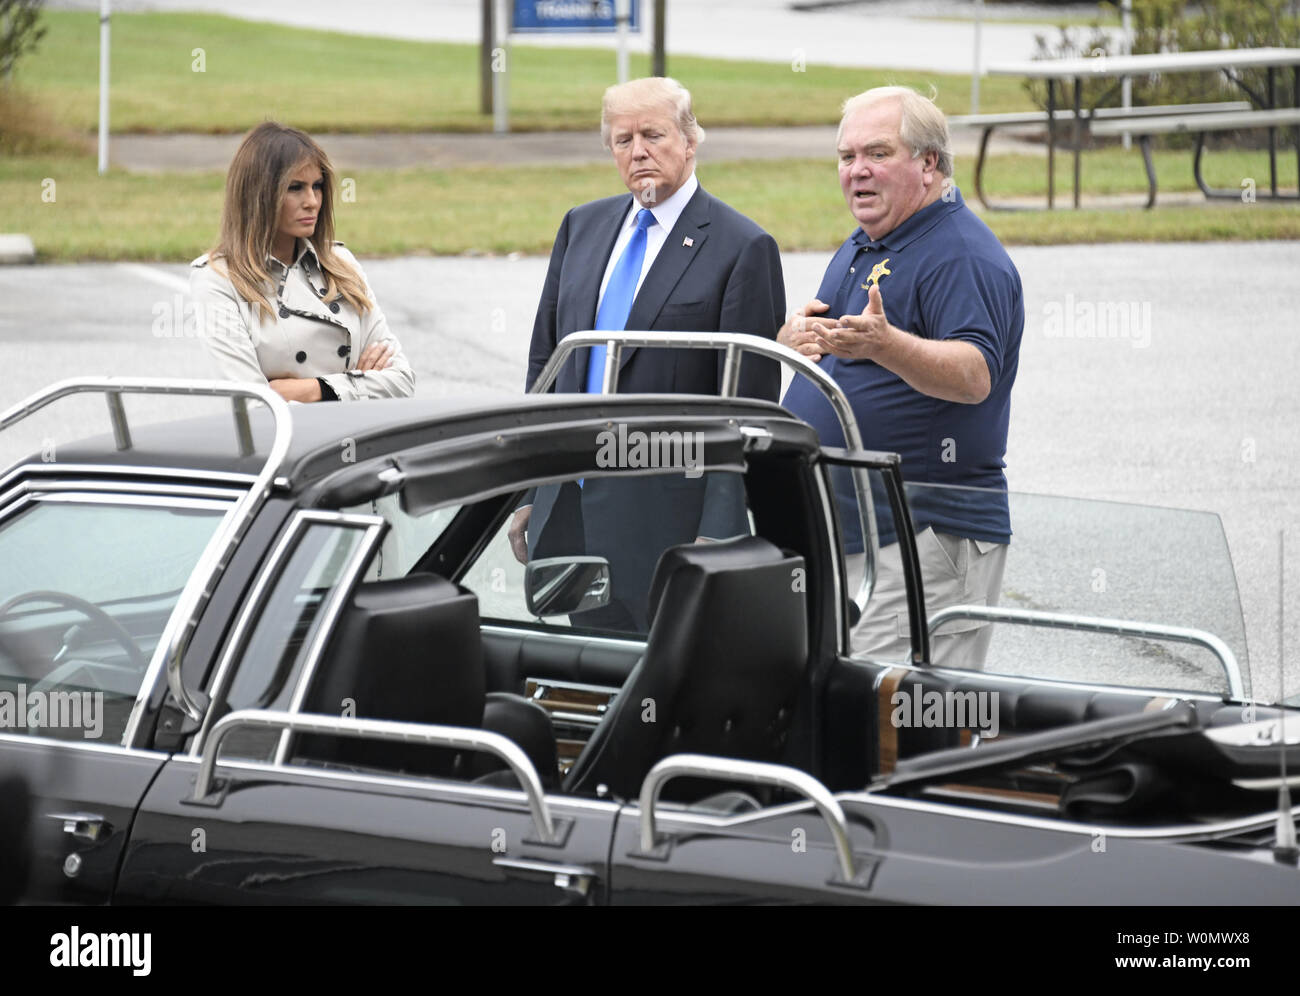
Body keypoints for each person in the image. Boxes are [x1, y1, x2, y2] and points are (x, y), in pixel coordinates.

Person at [510, 76, 785, 633]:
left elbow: (747, 406)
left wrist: (721, 528)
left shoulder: (742, 247)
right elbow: (546, 366)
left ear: (690, 140)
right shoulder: (581, 227)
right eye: (622, 139)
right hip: (570, 517)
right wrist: (527, 489)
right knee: (581, 690)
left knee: (665, 697)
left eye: (653, 135)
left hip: (670, 530)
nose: (638, 151)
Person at [779, 86, 1024, 668]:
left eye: (877, 153)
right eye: (846, 157)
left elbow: (974, 375)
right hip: (852, 537)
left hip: (927, 539)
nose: (857, 171)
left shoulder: (960, 253)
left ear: (929, 164)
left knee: (902, 726)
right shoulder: (869, 243)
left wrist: (887, 346)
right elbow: (840, 347)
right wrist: (792, 340)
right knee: (844, 716)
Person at [190, 122, 414, 402]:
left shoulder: (341, 263)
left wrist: (316, 389)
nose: (312, 202)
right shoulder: (218, 279)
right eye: (295, 188)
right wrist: (360, 383)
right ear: (259, 196)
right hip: (287, 442)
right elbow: (254, 404)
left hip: (357, 437)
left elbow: (402, 381)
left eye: (317, 186)